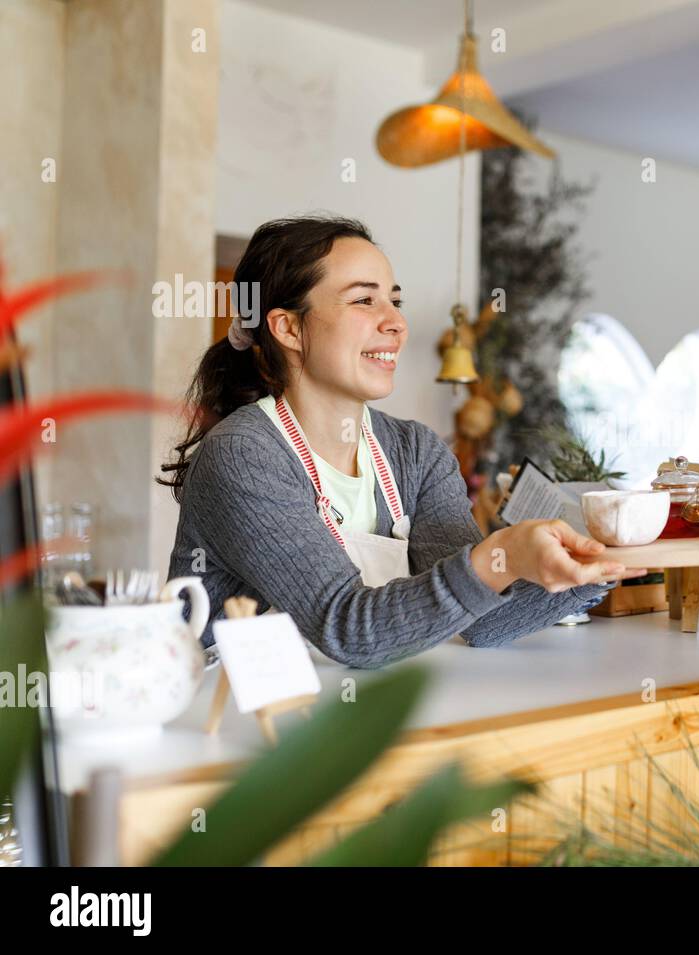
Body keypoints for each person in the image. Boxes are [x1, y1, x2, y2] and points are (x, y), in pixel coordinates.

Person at [160, 215, 643, 668]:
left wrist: (606, 555)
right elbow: (347, 626)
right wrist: (505, 553)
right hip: (230, 728)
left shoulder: (414, 452)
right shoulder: (245, 454)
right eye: (364, 300)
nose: (395, 322)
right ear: (288, 327)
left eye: (395, 300)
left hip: (355, 718)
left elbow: (484, 620)